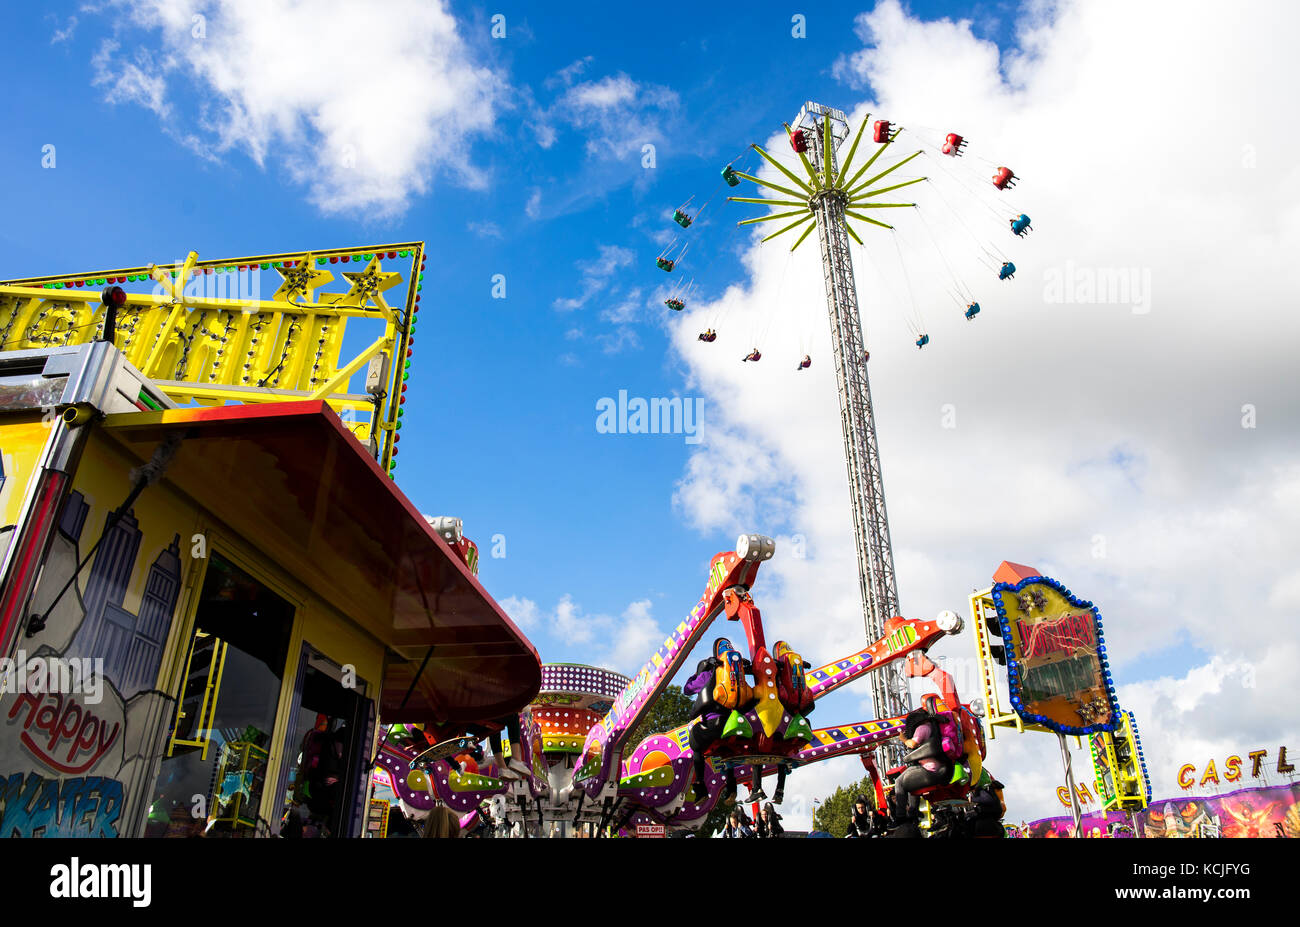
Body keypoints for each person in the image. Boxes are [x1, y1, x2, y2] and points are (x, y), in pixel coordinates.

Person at [889, 709, 954, 824]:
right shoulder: (933, 726)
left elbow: (913, 744)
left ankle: (901, 817)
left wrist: (903, 739)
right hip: (937, 766)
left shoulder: (922, 728)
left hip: (929, 768)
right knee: (908, 777)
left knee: (899, 782)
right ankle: (913, 812)